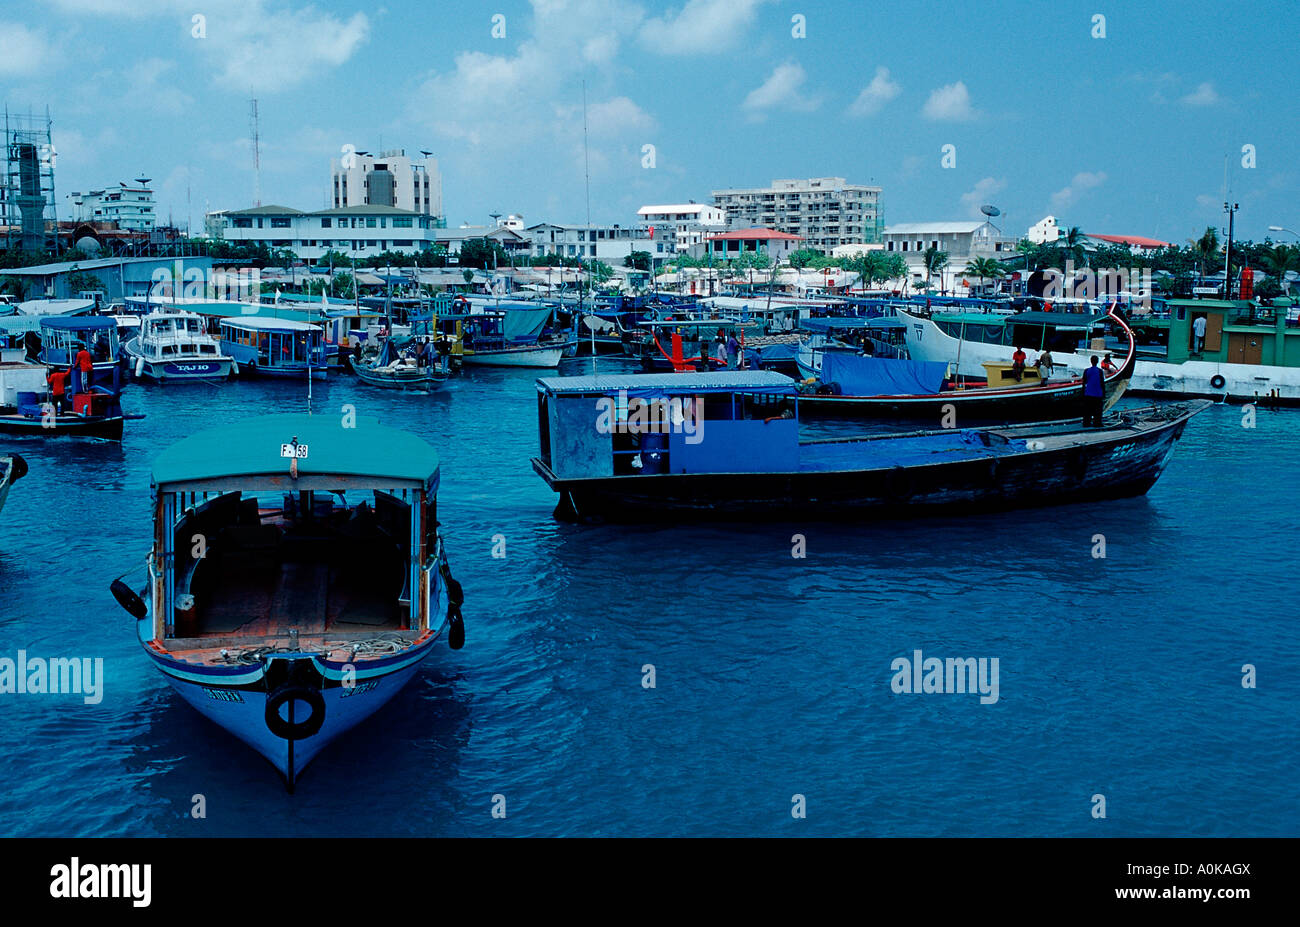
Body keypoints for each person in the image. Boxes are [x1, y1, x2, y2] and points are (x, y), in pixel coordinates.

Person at [1081, 355, 1105, 427]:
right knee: (1097, 410)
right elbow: (1102, 383)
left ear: (1091, 361)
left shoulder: (1086, 371)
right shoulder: (1100, 371)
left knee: (1087, 410)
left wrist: (1083, 393)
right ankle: (1097, 423)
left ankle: (1086, 423)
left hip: (1088, 393)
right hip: (1097, 393)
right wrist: (1104, 393)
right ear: (1097, 362)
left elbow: (1084, 383)